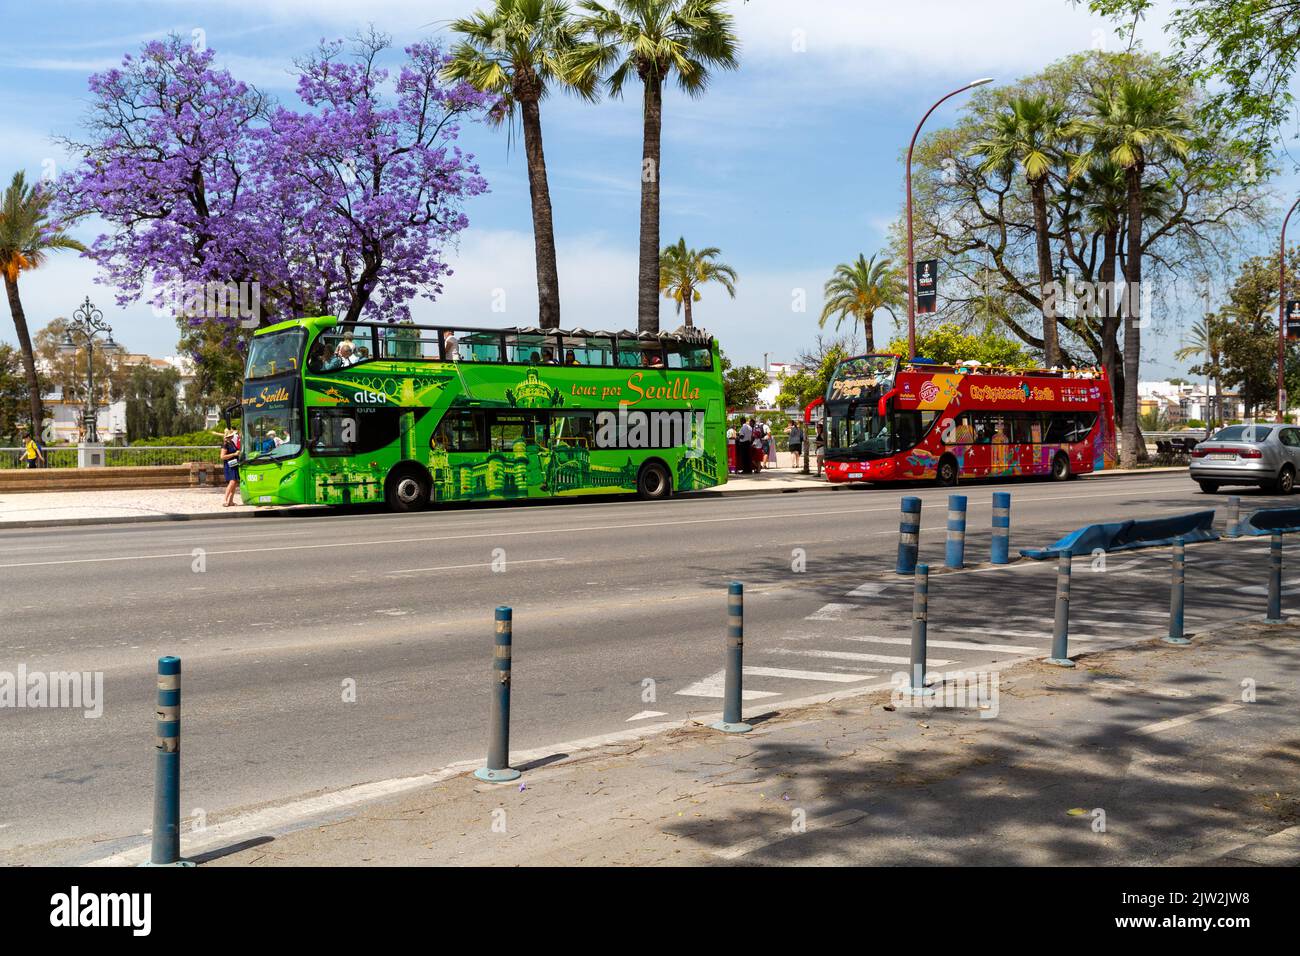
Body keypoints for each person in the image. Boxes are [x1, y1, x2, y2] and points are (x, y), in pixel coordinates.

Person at [220, 429, 241, 507]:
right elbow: (222, 457)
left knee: (234, 483)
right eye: (231, 435)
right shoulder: (225, 444)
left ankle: (231, 501)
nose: (232, 436)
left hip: (234, 464)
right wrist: (234, 454)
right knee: (232, 482)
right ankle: (225, 500)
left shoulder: (231, 443)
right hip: (229, 465)